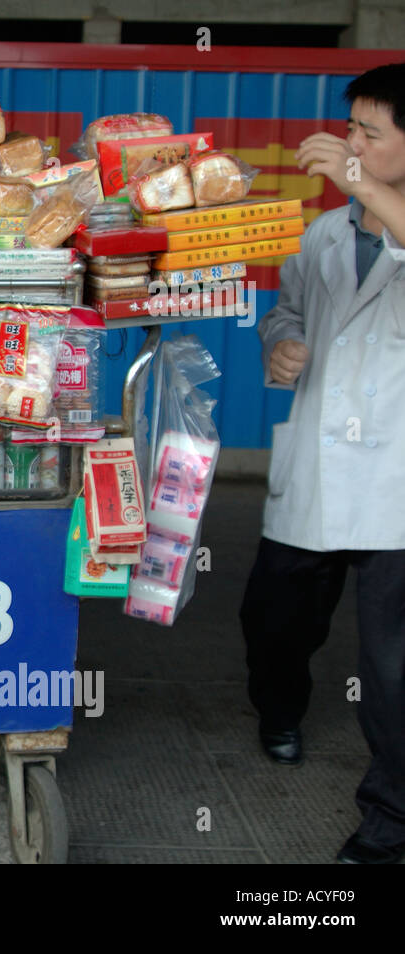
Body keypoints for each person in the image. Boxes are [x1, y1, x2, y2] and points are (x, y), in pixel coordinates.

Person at [241, 61, 405, 865]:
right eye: (351, 129)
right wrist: (282, 346)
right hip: (317, 464)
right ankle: (280, 712)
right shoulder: (324, 233)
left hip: (397, 484)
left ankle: (389, 828)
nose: (352, 144)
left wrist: (362, 185)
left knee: (394, 666)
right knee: (273, 621)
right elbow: (288, 308)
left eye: (369, 134)